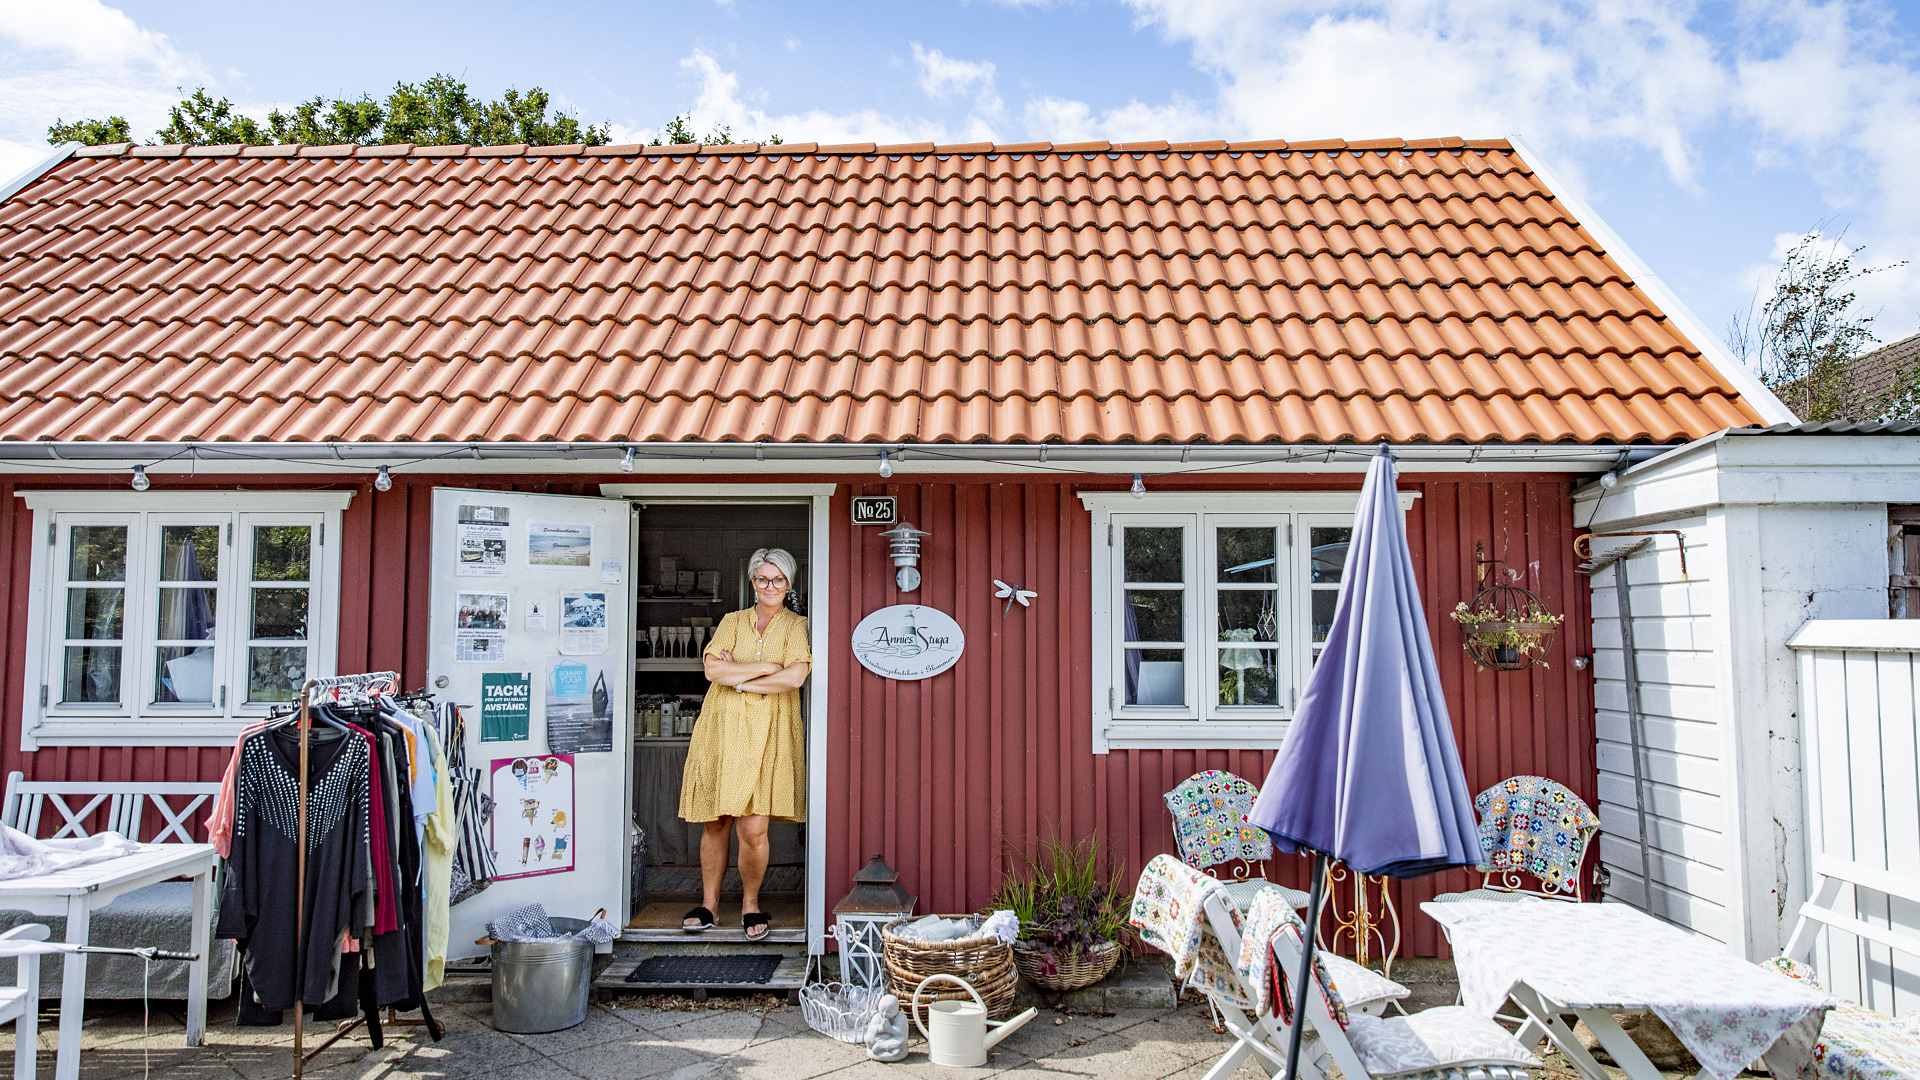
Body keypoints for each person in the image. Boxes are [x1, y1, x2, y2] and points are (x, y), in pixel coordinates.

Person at [679, 547, 810, 941]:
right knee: (715, 822)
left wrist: (738, 679)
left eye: (778, 579)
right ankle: (710, 906)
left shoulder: (795, 626)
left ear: (789, 584)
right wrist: (767, 668)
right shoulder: (732, 621)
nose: (770, 586)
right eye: (763, 579)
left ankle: (751, 904)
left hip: (768, 734)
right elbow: (712, 668)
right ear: (753, 582)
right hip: (721, 731)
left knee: (753, 830)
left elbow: (795, 677)